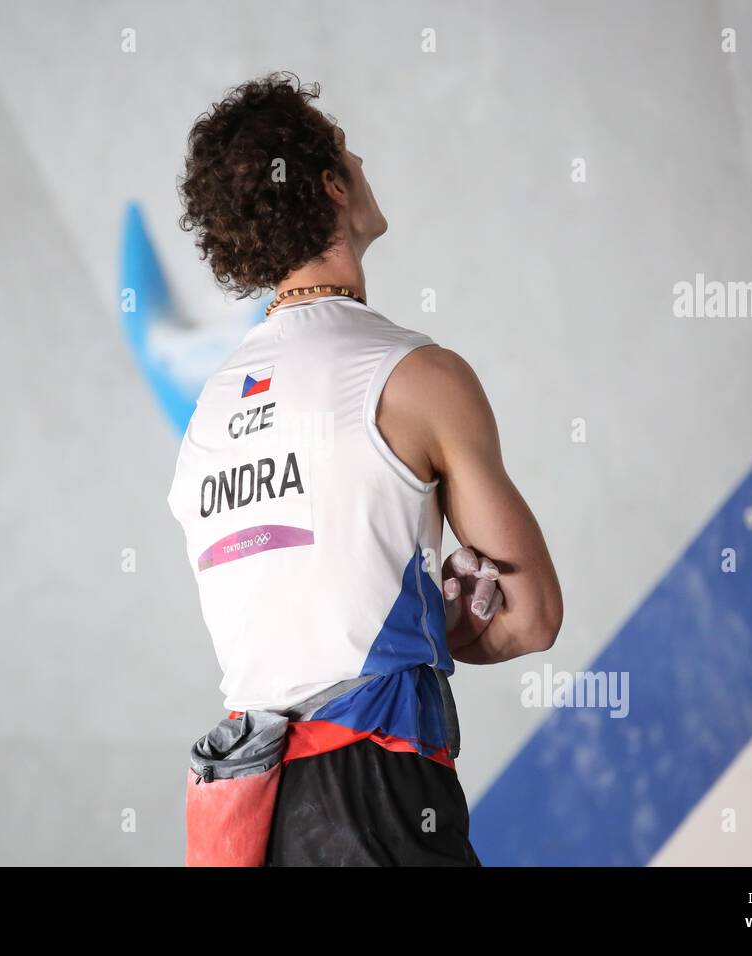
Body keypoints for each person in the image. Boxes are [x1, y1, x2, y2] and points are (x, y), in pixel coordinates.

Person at [169, 73, 563, 866]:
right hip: (376, 794)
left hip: (244, 810)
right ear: (331, 186)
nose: (362, 157)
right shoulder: (418, 375)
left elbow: (295, 615)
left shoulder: (206, 415)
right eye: (349, 149)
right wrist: (443, 629)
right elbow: (532, 618)